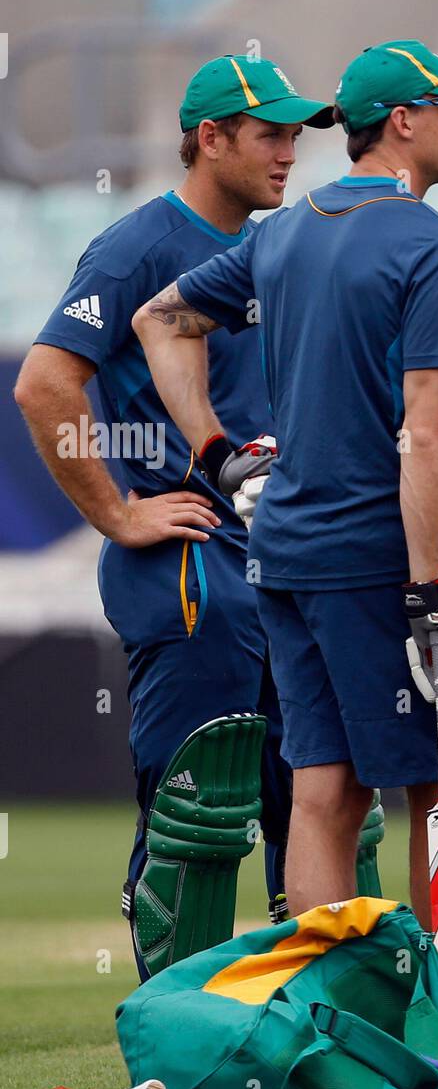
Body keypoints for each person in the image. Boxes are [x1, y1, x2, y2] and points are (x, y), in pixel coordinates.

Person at [132, 39, 438, 1089]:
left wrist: (213, 452)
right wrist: (428, 582)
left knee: (323, 794)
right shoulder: (431, 243)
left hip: (287, 554)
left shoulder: (288, 228)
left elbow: (165, 317)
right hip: (370, 561)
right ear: (400, 122)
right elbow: (429, 431)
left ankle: (332, 1047)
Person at [15, 55, 339, 978]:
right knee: (198, 814)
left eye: (296, 134)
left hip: (288, 567)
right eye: (270, 133)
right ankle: (179, 1047)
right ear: (209, 137)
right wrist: (116, 513)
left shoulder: (281, 246)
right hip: (193, 569)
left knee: (320, 805)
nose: (289, 153)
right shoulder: (139, 247)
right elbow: (46, 385)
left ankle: (302, 1037)